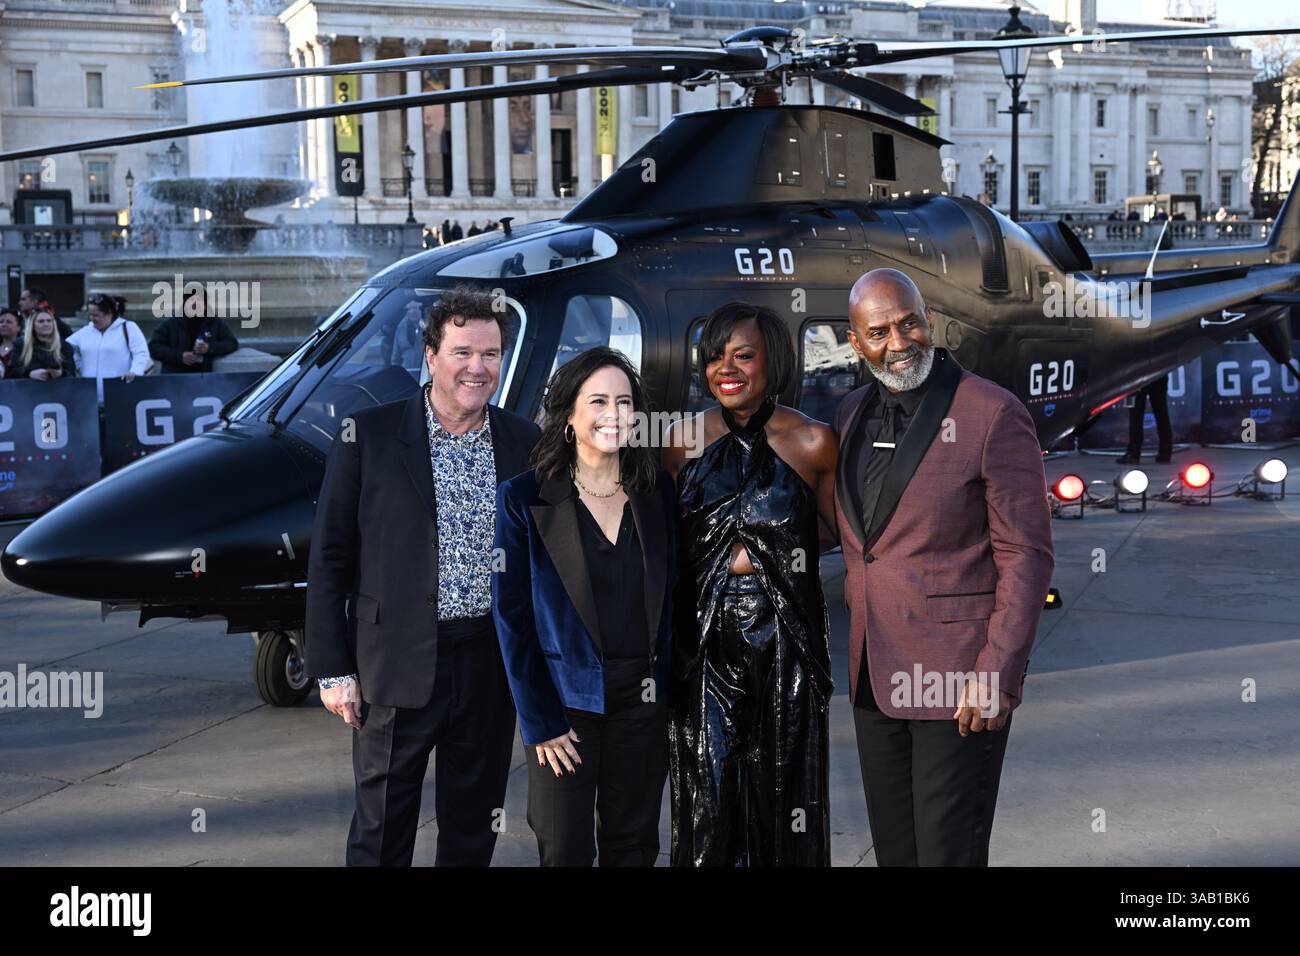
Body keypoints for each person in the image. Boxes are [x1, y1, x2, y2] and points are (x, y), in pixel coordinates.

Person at [307, 284, 541, 867]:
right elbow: (330, 559)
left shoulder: (522, 440)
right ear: (431, 356)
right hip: (393, 663)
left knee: (472, 827)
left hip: (488, 664)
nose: (477, 367)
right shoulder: (368, 436)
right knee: (382, 829)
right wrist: (333, 669)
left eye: (489, 354)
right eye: (462, 352)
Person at [836, 268, 1055, 866]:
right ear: (856, 343)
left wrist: (997, 672)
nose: (899, 341)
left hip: (958, 682)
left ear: (929, 321)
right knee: (897, 856)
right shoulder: (850, 413)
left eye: (909, 322)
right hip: (872, 676)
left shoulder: (991, 412)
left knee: (947, 856)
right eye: (878, 331)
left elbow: (1026, 555)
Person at [662, 301, 839, 867]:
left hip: (787, 637)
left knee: (785, 788)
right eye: (715, 357)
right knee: (708, 793)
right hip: (704, 639)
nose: (726, 369)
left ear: (774, 361)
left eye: (743, 355)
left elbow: (834, 533)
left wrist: (772, 558)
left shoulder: (814, 442)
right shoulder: (679, 442)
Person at [493, 347, 676, 867]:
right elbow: (512, 620)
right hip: (564, 706)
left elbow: (673, 597)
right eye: (598, 401)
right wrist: (540, 720)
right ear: (569, 415)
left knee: (634, 845)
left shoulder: (655, 489)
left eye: (624, 402)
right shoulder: (523, 497)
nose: (613, 414)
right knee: (566, 848)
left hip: (641, 702)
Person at [67, 294, 151, 406]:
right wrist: (78, 365)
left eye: (96, 315)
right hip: (89, 398)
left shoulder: (129, 328)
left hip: (120, 393)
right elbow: (66, 348)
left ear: (109, 313)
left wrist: (135, 371)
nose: (91, 318)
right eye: (90, 315)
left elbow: (141, 353)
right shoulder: (86, 331)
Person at [148, 288, 239, 373]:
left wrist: (209, 348)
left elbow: (232, 343)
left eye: (199, 300)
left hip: (206, 378)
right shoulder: (171, 323)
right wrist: (180, 356)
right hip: (174, 378)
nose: (195, 304)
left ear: (205, 304)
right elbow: (154, 347)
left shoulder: (214, 322)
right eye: (191, 300)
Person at [1118, 375, 1172, 465]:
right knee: (1161, 412)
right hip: (1159, 372)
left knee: (1135, 414)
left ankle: (1133, 453)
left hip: (1136, 375)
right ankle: (1165, 452)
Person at [9, 311, 76, 381]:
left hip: (57, 389)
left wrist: (61, 373)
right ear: (33, 326)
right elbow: (13, 370)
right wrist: (29, 374)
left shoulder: (64, 346)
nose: (46, 324)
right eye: (41, 321)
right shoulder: (20, 344)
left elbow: (71, 373)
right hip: (28, 389)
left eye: (49, 321)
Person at [0, 308, 21, 376]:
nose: (4, 324)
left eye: (8, 322)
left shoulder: (25, 349)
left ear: (18, 327)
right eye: (1, 322)